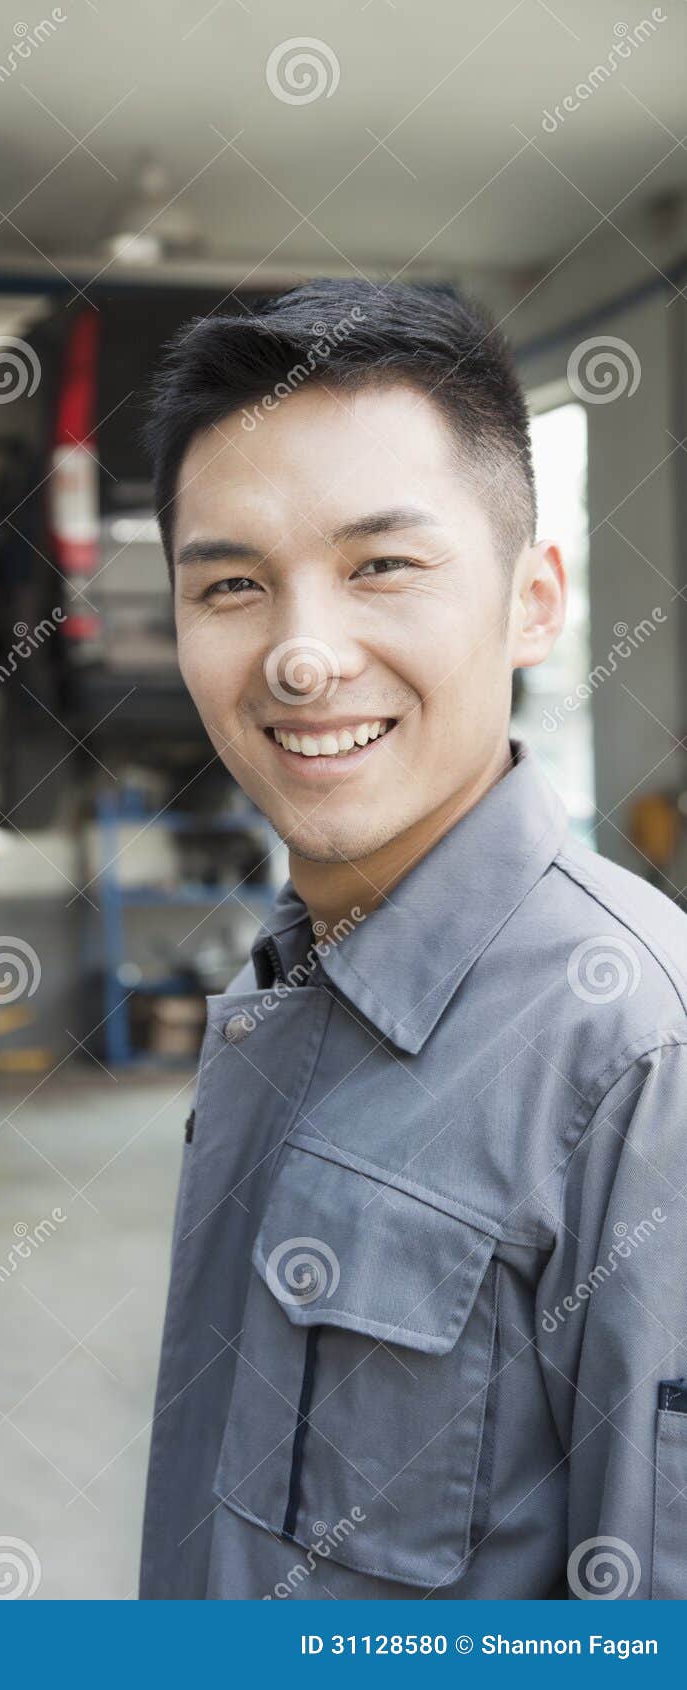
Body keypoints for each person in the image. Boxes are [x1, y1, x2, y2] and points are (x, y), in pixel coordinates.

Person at [137, 278, 687, 1600]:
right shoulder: (287, 985)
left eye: (380, 565)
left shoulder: (637, 1054)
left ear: (534, 601)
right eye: (232, 584)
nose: (301, 658)